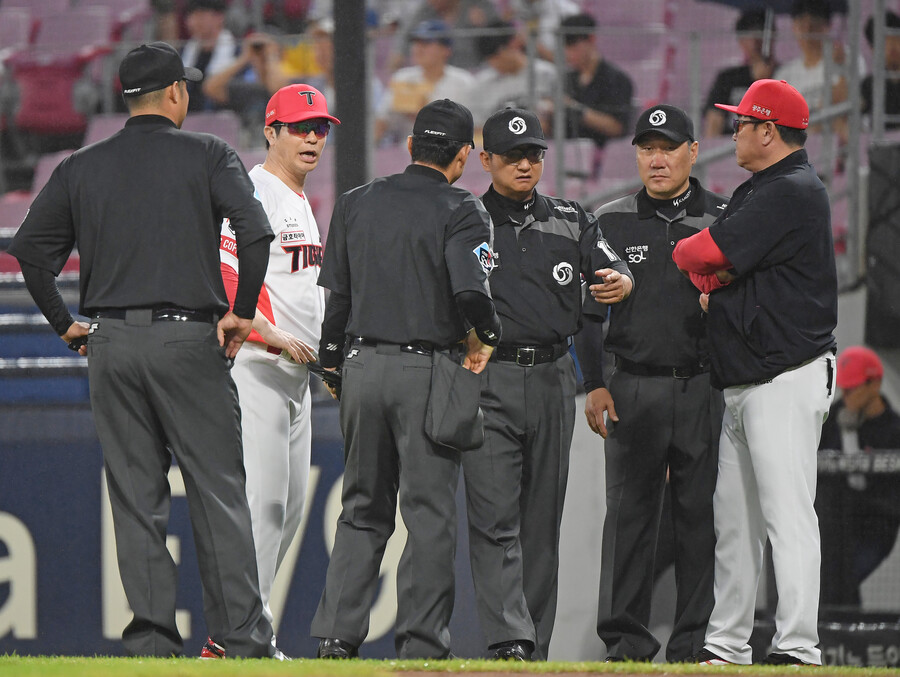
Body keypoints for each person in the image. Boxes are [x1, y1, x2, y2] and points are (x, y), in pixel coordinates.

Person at [7, 41, 276, 658]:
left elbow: (28, 253)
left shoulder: (81, 165)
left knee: (135, 499)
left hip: (110, 343)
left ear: (128, 98)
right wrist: (240, 312)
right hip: (188, 338)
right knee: (217, 493)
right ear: (178, 93)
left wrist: (64, 324)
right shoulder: (209, 152)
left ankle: (153, 643)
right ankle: (239, 641)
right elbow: (254, 232)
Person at [310, 98, 502, 660]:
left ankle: (336, 640)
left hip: (362, 366)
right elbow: (472, 292)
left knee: (362, 509)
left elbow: (337, 300)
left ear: (412, 145)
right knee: (428, 513)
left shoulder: (355, 203)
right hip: (427, 371)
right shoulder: (462, 208)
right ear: (464, 153)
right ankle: (420, 646)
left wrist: (330, 363)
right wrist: (487, 334)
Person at [673, 78, 838, 666]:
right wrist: (717, 277)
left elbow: (690, 255)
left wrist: (716, 278)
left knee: (786, 516)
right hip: (747, 377)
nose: (734, 129)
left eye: (742, 122)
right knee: (737, 523)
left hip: (785, 375)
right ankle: (727, 645)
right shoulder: (760, 189)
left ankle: (798, 645)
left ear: (768, 130)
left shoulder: (790, 188)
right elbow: (704, 267)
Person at [462, 107, 633, 662]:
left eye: (533, 153)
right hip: (491, 375)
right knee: (495, 517)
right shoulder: (467, 219)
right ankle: (509, 639)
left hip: (556, 377)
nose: (524, 163)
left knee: (542, 521)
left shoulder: (572, 218)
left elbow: (610, 270)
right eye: (512, 155)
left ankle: (530, 648)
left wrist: (620, 282)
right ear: (485, 159)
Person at [579, 104, 726, 663]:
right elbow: (588, 315)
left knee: (701, 516)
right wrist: (593, 383)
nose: (657, 158)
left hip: (702, 384)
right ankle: (624, 642)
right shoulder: (610, 219)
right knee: (629, 517)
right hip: (633, 385)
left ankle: (693, 643)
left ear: (693, 150)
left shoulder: (724, 216)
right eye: (646, 148)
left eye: (668, 147)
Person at [218, 83, 339, 657]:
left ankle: (246, 633)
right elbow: (225, 276)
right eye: (299, 127)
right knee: (263, 506)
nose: (313, 137)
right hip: (256, 366)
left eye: (320, 128)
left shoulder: (301, 201)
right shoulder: (253, 191)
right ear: (270, 131)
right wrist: (269, 335)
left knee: (288, 512)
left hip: (296, 376)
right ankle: (237, 638)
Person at [817, 346, 900, 608]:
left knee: (845, 578)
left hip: (877, 529)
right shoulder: (831, 420)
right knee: (830, 584)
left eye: (853, 388)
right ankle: (843, 643)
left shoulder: (894, 430)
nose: (846, 395)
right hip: (836, 526)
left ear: (874, 383)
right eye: (844, 388)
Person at [375, 20, 475, 146]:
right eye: (416, 43)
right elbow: (381, 122)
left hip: (449, 151)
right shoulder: (402, 78)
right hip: (405, 151)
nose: (418, 48)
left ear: (446, 50)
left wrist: (423, 117)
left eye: (426, 43)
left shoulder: (463, 82)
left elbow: (471, 128)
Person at [774, 0, 863, 120]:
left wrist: (841, 68)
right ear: (793, 28)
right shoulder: (784, 75)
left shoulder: (848, 59)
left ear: (827, 26)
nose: (807, 32)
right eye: (801, 26)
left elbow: (851, 104)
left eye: (813, 26)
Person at [560, 13, 633, 150]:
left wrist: (576, 110)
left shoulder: (617, 80)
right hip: (568, 154)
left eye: (573, 46)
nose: (568, 53)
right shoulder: (566, 80)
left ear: (591, 39)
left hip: (604, 154)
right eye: (565, 47)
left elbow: (617, 127)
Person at [466, 21, 557, 130]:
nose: (494, 64)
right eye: (490, 59)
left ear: (514, 44)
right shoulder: (483, 82)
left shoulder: (547, 73)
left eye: (497, 56)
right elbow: (475, 124)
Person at [703, 9, 777, 137]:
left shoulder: (786, 75)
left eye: (760, 33)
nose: (755, 40)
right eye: (748, 34)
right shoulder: (727, 78)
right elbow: (713, 123)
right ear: (740, 40)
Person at [202, 32, 292, 134]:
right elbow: (210, 88)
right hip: (246, 144)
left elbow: (279, 90)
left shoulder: (290, 84)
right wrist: (244, 58)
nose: (261, 59)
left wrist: (271, 56)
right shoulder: (246, 88)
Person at [388, 0, 500, 72]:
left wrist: (484, 25)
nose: (432, 2)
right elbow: (407, 34)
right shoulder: (426, 9)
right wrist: (399, 54)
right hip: (437, 72)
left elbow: (501, 37)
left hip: (476, 69)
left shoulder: (479, 5)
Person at [180, 0, 239, 112]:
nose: (192, 22)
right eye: (190, 16)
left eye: (200, 16)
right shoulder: (185, 51)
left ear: (219, 17)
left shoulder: (237, 52)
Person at [862, 11, 900, 130]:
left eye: (895, 38)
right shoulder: (868, 85)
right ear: (873, 49)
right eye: (885, 41)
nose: (892, 45)